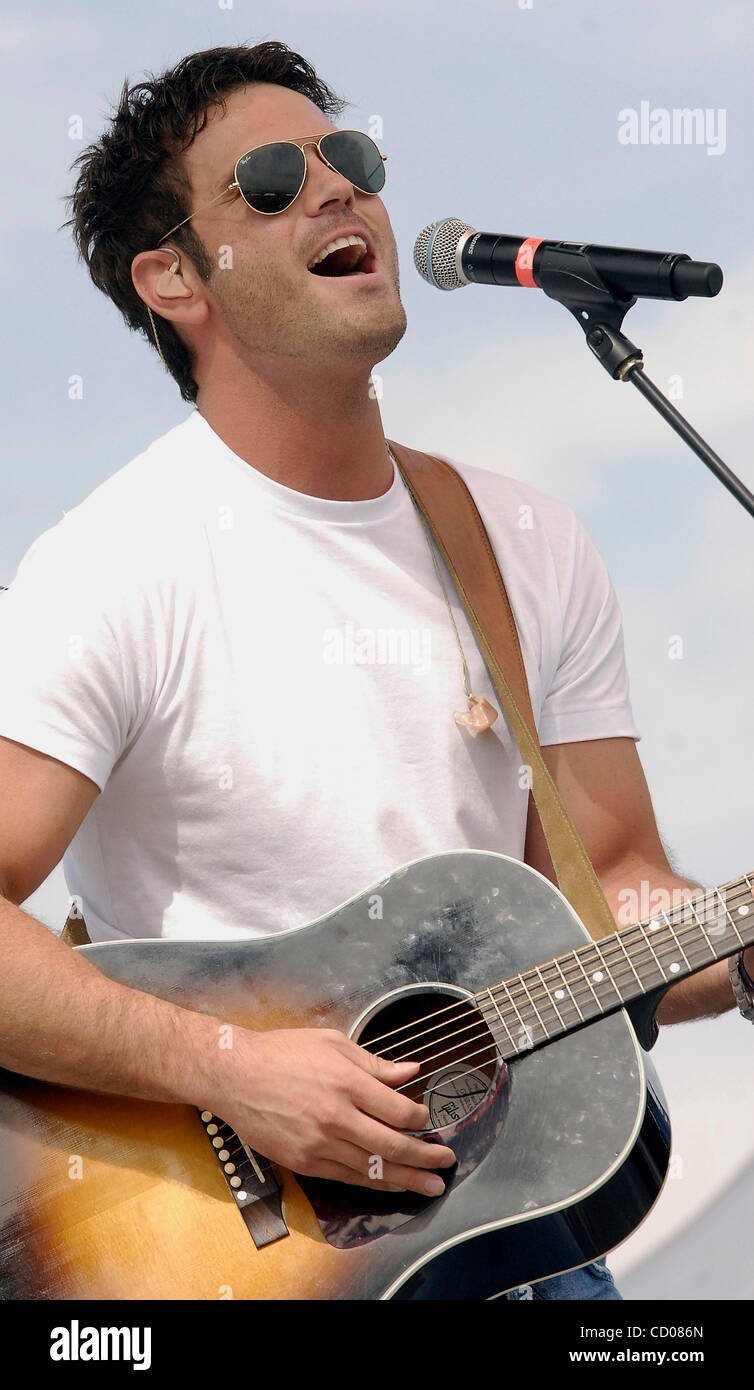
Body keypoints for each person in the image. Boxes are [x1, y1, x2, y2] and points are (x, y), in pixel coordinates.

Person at [0, 42, 750, 1303]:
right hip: (238, 1251)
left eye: (349, 161)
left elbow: (609, 889)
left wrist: (738, 949)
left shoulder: (523, 541)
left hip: (516, 1242)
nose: (338, 192)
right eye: (274, 182)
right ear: (174, 276)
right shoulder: (113, 571)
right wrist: (235, 1065)